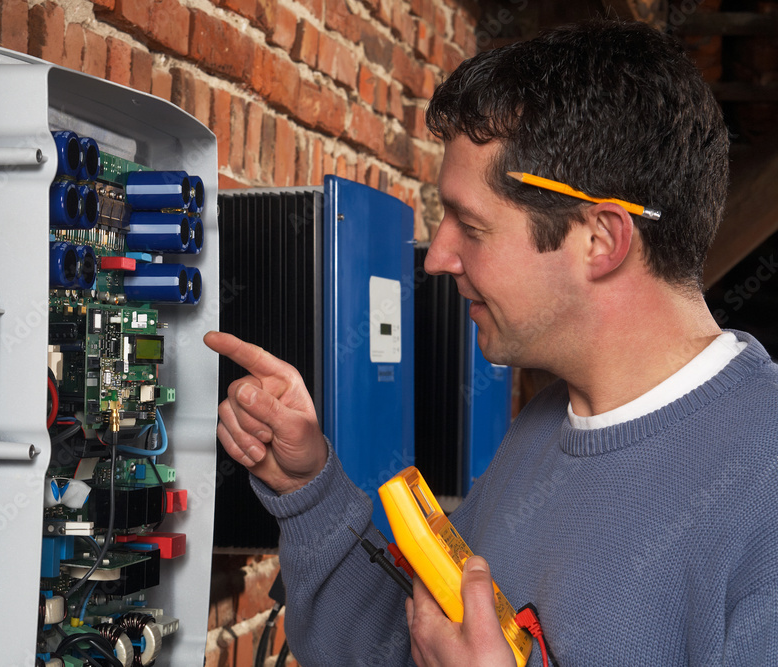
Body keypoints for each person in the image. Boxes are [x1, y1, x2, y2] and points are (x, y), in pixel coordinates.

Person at [204, 19, 778, 666]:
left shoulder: (763, 483)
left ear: (601, 239)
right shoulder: (543, 423)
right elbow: (402, 646)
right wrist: (307, 484)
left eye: (471, 226)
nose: (437, 257)